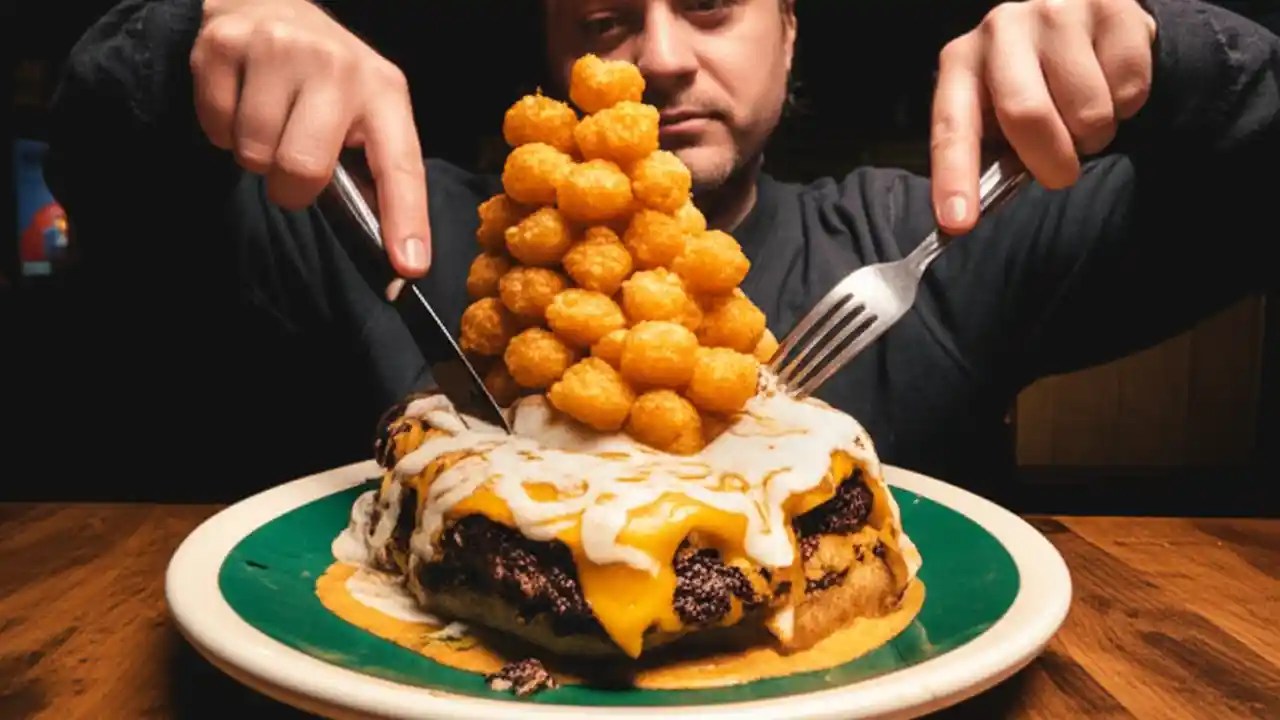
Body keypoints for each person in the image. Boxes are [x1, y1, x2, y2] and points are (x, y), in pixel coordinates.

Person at [34, 0, 1279, 501]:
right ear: (551, 51)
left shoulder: (927, 239)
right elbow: (125, 197)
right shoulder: (406, 245)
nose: (664, 55)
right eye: (604, 19)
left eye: (714, 7)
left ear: (789, 39)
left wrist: (1165, 54)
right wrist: (187, 41)